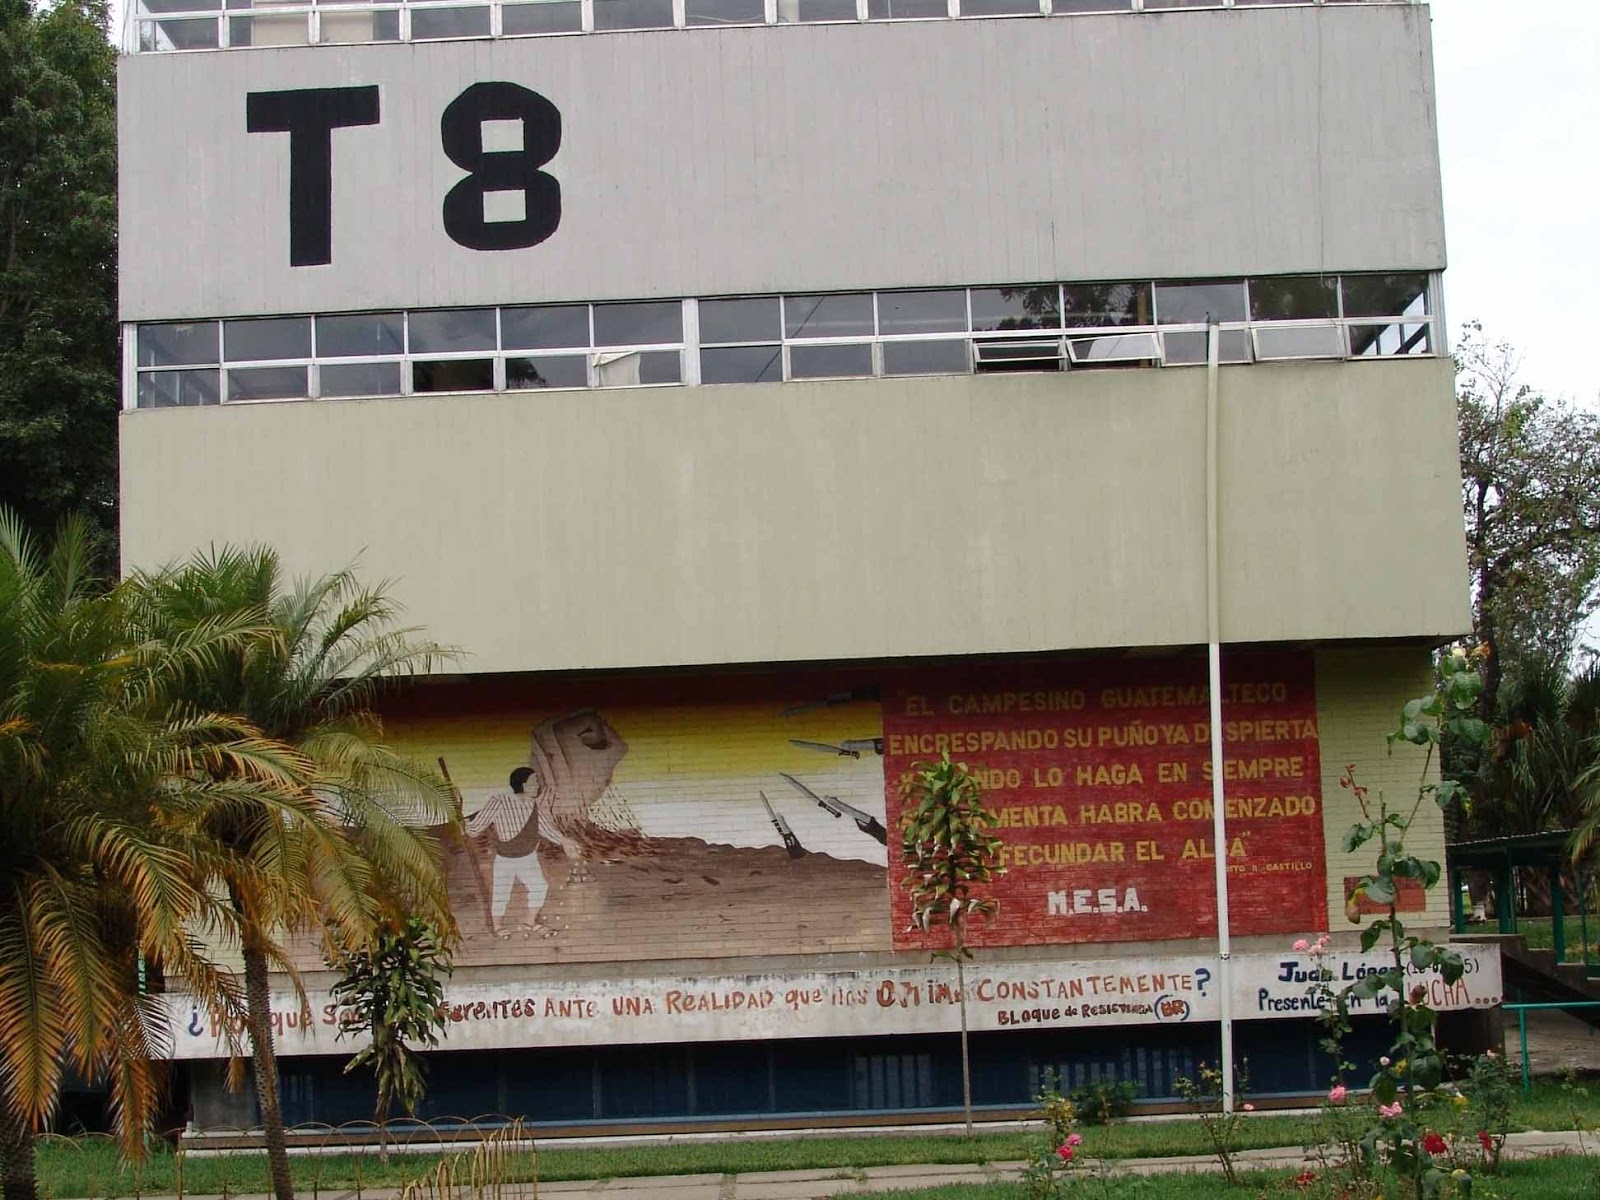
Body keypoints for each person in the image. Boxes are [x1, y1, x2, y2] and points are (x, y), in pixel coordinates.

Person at [466, 766, 549, 937]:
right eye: (534, 782)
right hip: (507, 858)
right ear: (523, 785)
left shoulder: (532, 804)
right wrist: (464, 824)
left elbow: (545, 827)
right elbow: (475, 828)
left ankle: (529, 922)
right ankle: (498, 927)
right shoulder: (499, 801)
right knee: (501, 892)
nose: (538, 785)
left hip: (529, 857)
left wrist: (564, 840)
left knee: (540, 887)